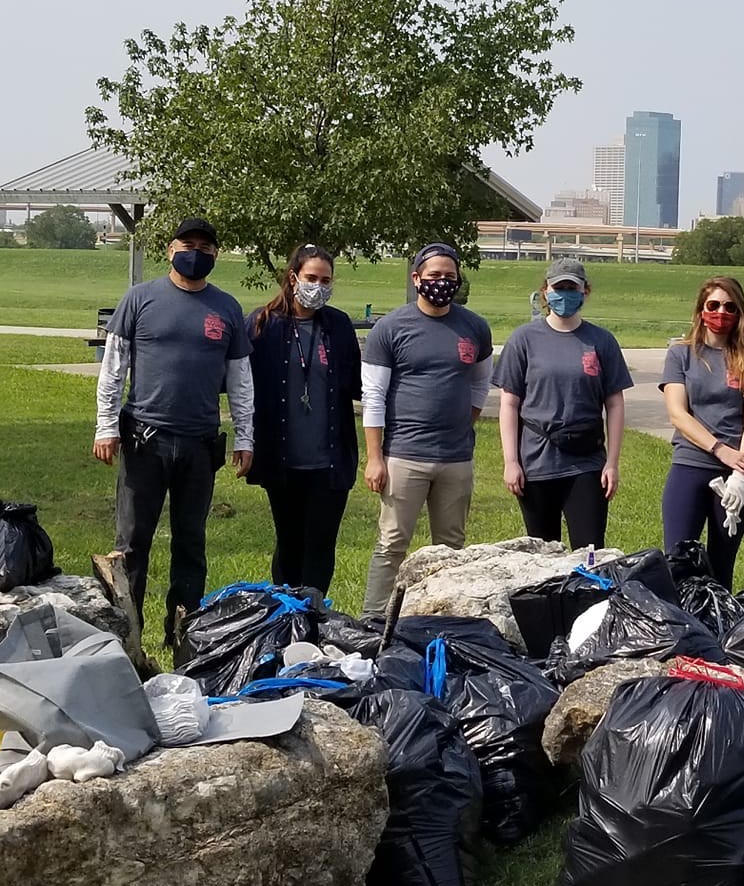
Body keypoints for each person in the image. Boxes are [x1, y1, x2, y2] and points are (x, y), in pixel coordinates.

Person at [93, 217, 254, 646]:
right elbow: (113, 370)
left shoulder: (227, 309)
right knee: (131, 545)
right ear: (170, 248)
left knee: (191, 544)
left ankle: (184, 636)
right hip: (145, 440)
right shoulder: (140, 299)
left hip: (200, 444)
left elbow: (240, 379)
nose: (196, 252)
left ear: (216, 254)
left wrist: (245, 436)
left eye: (206, 245)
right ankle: (125, 635)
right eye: (189, 243)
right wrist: (105, 426)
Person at [360, 243, 493, 616]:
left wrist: (465, 423)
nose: (441, 282)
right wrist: (374, 458)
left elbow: (481, 383)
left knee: (451, 546)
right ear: (417, 278)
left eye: (449, 276)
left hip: (456, 458)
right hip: (403, 455)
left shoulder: (475, 327)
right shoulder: (390, 328)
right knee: (392, 543)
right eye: (433, 276)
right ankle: (373, 618)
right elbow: (373, 396)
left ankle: (445, 618)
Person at [244, 243, 362, 595]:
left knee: (321, 545)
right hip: (282, 459)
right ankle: (285, 614)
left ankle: (314, 614)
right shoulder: (262, 323)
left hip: (329, 461)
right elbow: (239, 384)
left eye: (326, 280)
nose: (318, 286)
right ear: (293, 277)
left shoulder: (338, 325)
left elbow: (358, 384)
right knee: (289, 543)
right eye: (311, 278)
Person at [494, 258, 633, 549]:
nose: (565, 294)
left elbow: (615, 404)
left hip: (586, 460)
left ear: (585, 292)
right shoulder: (524, 340)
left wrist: (612, 463)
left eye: (573, 288)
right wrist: (510, 462)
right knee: (542, 554)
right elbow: (509, 404)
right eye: (559, 287)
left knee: (590, 551)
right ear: (545, 291)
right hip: (537, 461)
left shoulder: (601, 341)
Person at [659, 277, 744, 589]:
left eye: (730, 307)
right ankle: (683, 631)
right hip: (690, 467)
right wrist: (720, 449)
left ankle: (716, 632)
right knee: (678, 562)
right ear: (701, 310)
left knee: (721, 567)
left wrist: (742, 474)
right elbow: (678, 414)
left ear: (740, 313)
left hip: (736, 476)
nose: (721, 312)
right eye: (714, 305)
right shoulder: (681, 354)